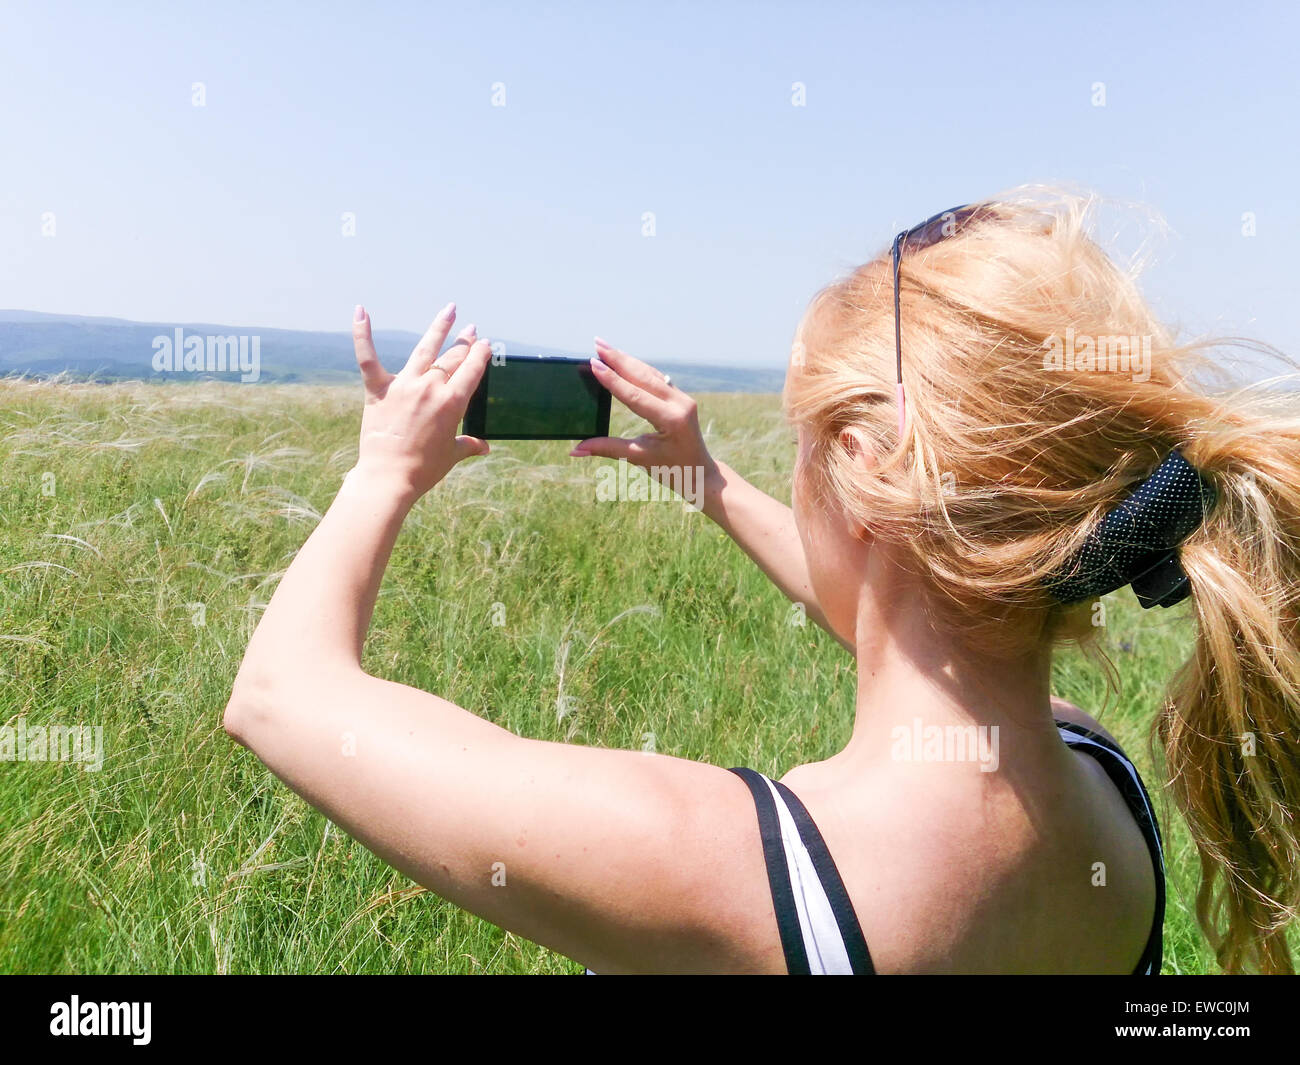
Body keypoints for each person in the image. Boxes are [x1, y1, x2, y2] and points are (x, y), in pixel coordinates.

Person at [223, 191, 1300, 974]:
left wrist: (380, 476)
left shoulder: (727, 864)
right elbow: (919, 630)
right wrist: (710, 483)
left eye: (800, 442)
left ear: (869, 469)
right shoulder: (1099, 783)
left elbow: (280, 696)